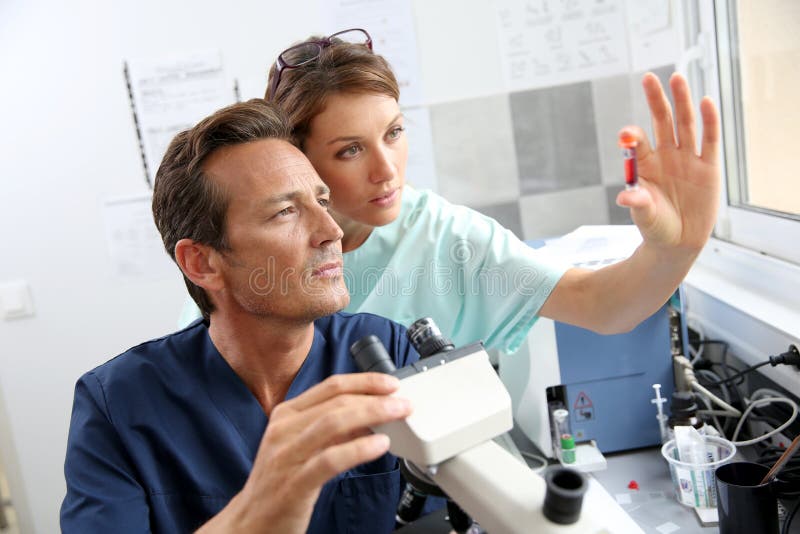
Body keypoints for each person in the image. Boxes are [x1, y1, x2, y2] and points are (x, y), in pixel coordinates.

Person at [181, 28, 721, 357]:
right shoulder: (254, 255)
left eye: (393, 133)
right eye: (350, 149)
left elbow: (602, 306)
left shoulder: (445, 239)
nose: (386, 170)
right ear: (299, 156)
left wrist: (674, 249)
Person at [61, 100, 424, 533]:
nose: (332, 231)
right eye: (285, 212)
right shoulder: (118, 405)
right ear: (202, 263)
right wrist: (257, 509)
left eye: (322, 202)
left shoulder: (388, 354)